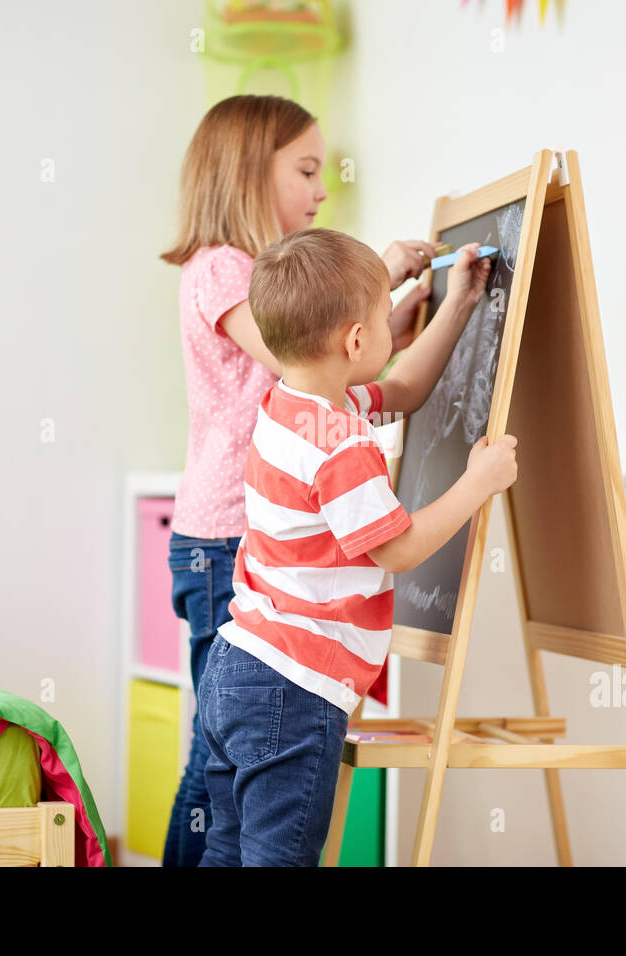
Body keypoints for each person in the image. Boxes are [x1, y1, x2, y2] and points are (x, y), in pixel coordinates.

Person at [159, 94, 440, 867]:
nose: (321, 190)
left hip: (235, 538)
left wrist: (388, 316)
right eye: (307, 170)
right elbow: (294, 349)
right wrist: (372, 279)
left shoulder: (247, 275)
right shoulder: (220, 269)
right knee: (217, 772)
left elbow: (334, 362)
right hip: (222, 538)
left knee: (225, 764)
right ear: (249, 174)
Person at [196, 228, 519, 866]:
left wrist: (456, 305)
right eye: (381, 317)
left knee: (228, 852)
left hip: (235, 671)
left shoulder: (291, 406)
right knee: (276, 859)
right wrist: (477, 484)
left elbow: (401, 393)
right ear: (357, 340)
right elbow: (395, 550)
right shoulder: (340, 444)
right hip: (293, 687)